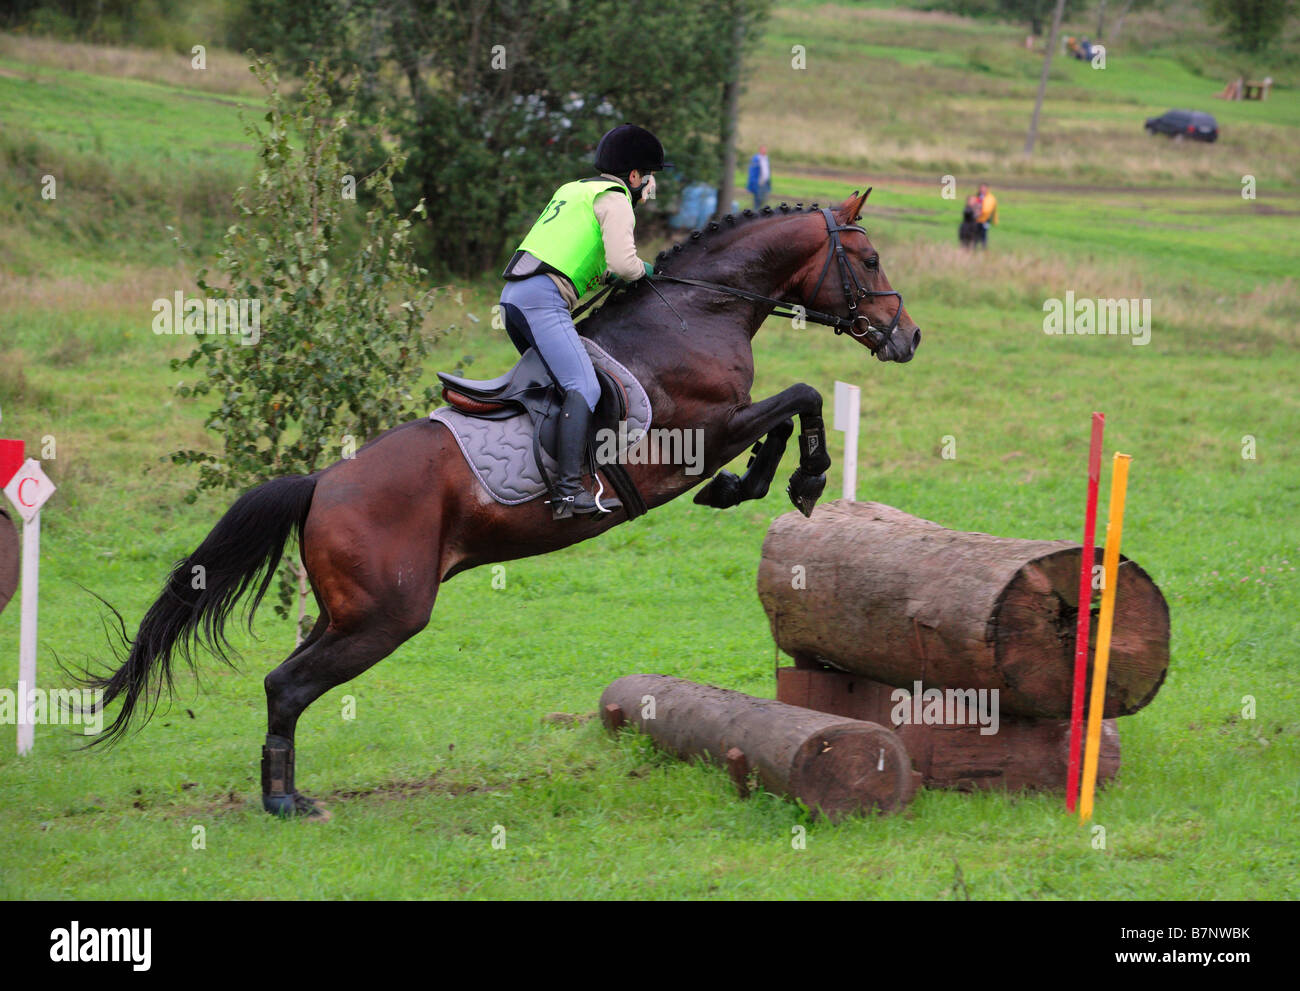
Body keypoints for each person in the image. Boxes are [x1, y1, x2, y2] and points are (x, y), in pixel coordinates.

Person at [499, 123, 668, 519]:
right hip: (542, 302)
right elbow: (626, 265)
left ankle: (534, 469)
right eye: (651, 176)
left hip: (514, 302)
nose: (652, 186)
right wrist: (646, 269)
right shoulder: (617, 200)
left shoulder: (573, 190)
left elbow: (575, 253)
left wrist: (608, 275)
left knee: (560, 387)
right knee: (583, 386)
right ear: (633, 176)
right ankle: (566, 494)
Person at [746, 145, 771, 209]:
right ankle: (756, 214)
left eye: (765, 150)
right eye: (763, 150)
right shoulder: (756, 159)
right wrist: (752, 183)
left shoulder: (766, 158)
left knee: (764, 199)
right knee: (757, 200)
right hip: (758, 183)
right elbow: (752, 172)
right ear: (760, 150)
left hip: (765, 183)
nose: (764, 151)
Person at [975, 183, 998, 247]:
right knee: (975, 235)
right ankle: (973, 248)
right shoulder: (978, 196)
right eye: (981, 188)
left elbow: (990, 210)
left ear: (987, 189)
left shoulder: (991, 198)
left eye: (983, 188)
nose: (982, 189)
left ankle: (984, 248)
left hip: (985, 220)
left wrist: (995, 220)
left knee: (983, 234)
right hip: (976, 219)